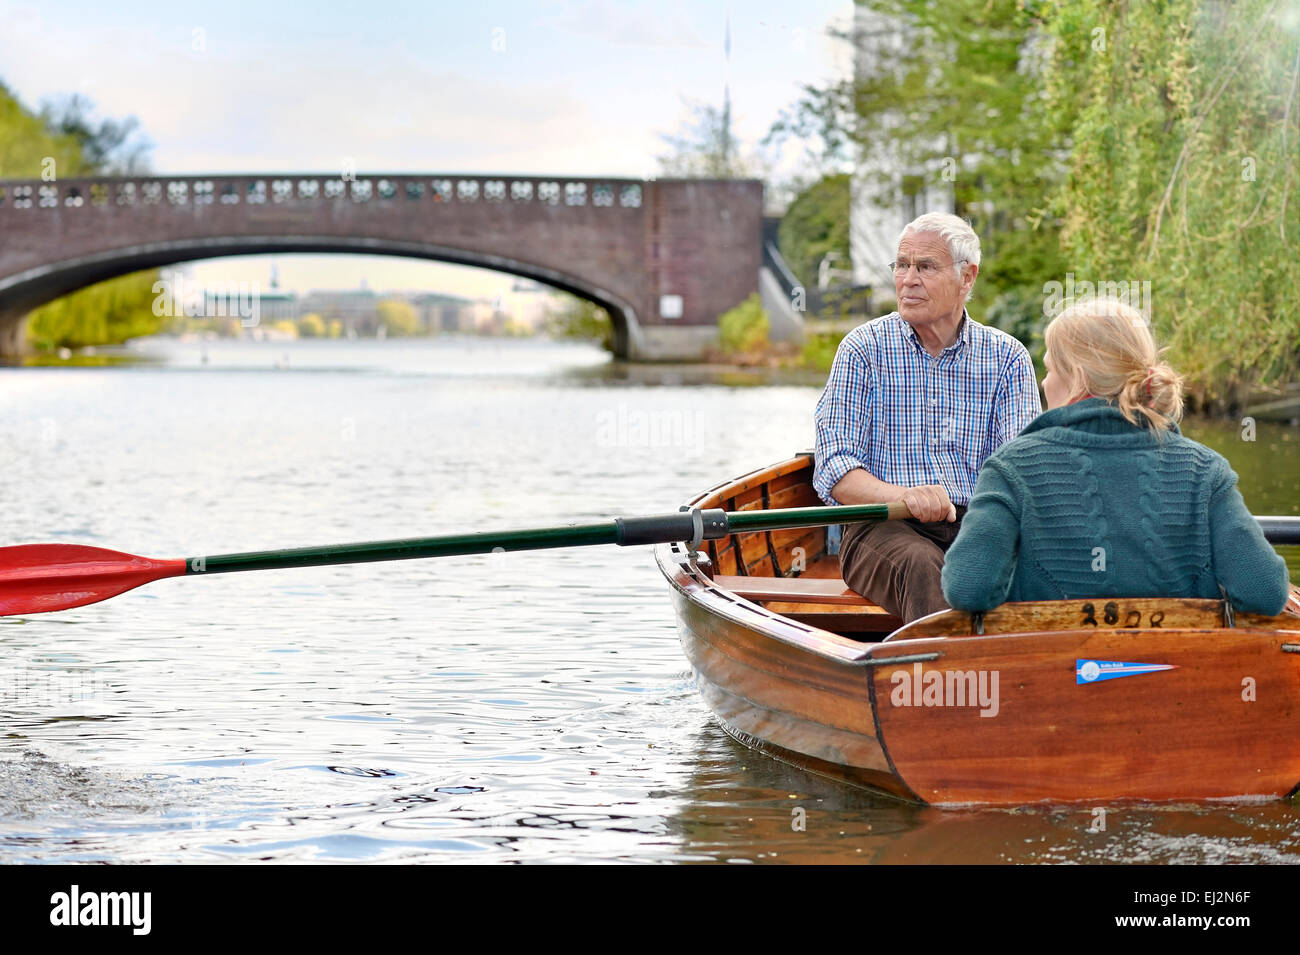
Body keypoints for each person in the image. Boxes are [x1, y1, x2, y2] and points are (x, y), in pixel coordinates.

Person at [941, 297, 1291, 615]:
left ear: (1076, 377)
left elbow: (968, 588)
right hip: (1179, 679)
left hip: (1054, 681)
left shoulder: (1011, 468)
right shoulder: (1205, 470)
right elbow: (1264, 591)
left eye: (1049, 369)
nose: (1044, 383)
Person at [813, 212, 1041, 622]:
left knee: (1037, 563)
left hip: (975, 524)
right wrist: (904, 496)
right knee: (921, 564)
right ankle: (953, 683)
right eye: (902, 265)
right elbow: (835, 470)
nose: (908, 279)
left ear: (967, 278)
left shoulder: (1008, 358)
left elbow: (1018, 475)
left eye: (925, 267)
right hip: (879, 526)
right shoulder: (862, 350)